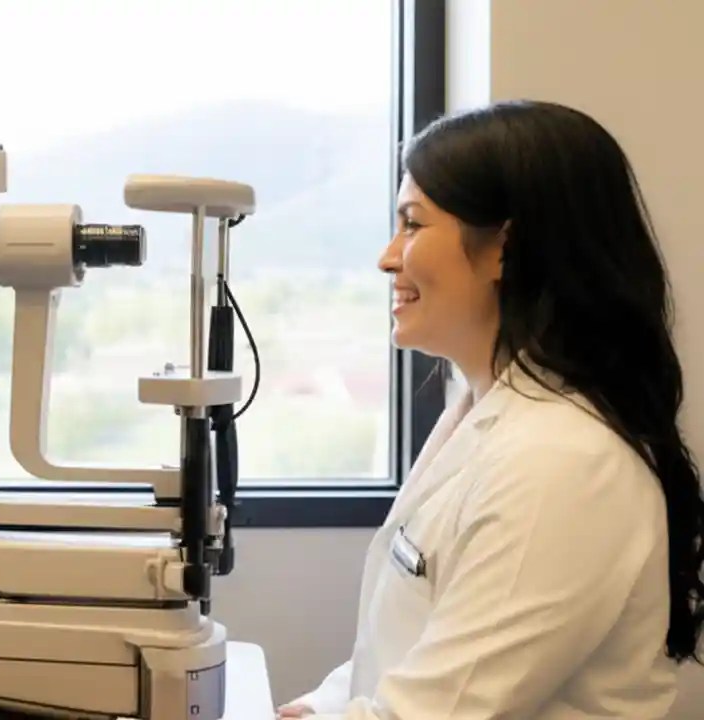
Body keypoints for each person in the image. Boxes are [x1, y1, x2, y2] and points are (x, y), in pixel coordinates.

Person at [278, 100, 704, 718]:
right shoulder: (487, 415)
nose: (389, 256)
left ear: (504, 248)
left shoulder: (562, 464)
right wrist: (320, 706)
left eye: (413, 225)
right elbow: (413, 646)